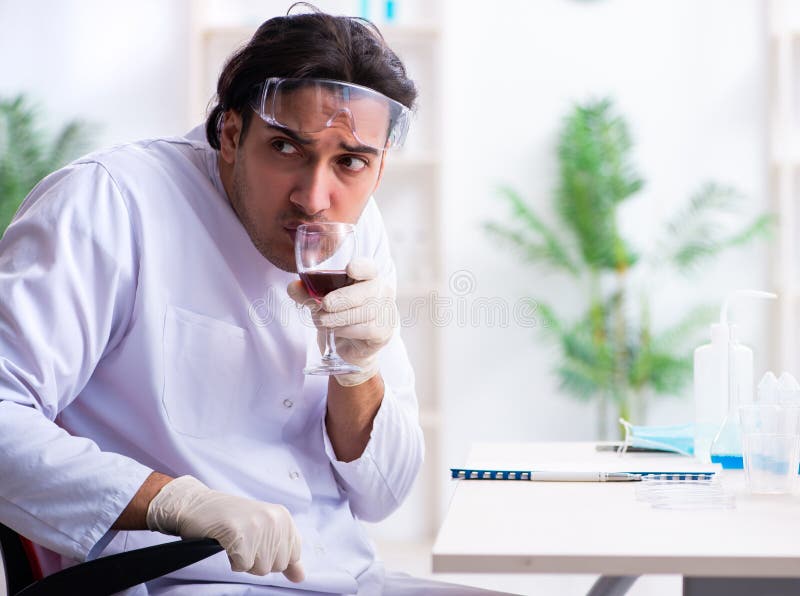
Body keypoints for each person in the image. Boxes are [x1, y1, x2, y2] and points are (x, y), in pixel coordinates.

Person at [0, 7, 510, 596]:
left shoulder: (355, 232)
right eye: (287, 148)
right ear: (232, 134)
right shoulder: (110, 203)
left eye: (350, 161)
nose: (315, 198)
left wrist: (359, 368)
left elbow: (383, 495)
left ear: (380, 165)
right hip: (186, 581)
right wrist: (175, 501)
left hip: (351, 578)